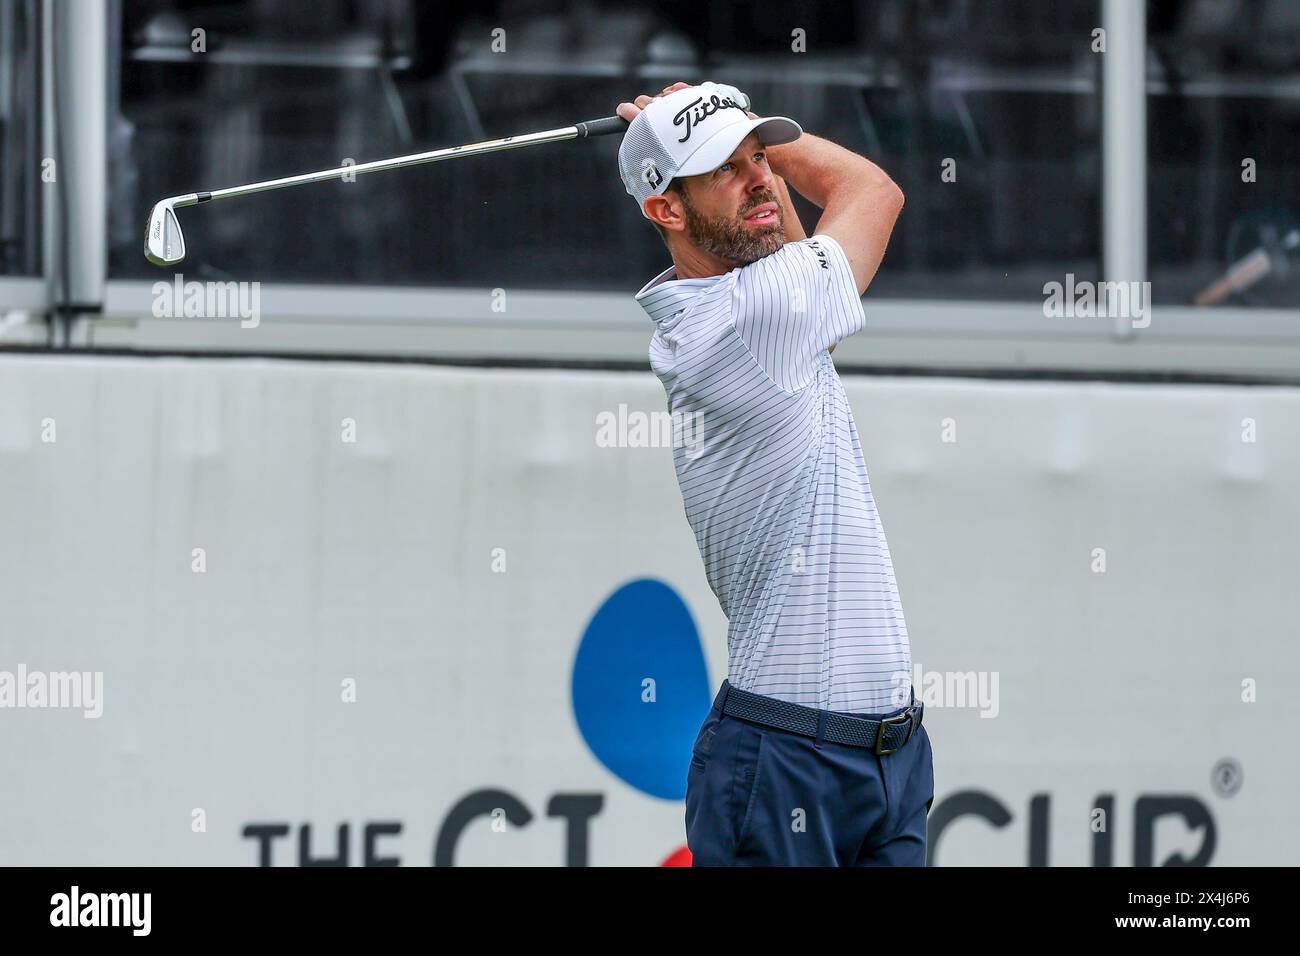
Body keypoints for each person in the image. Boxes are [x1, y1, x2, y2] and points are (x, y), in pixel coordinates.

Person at [615, 82, 933, 866]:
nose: (760, 177)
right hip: (786, 759)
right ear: (665, 211)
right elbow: (872, 191)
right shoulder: (750, 319)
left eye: (761, 156)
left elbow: (791, 254)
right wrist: (723, 104)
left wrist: (715, 123)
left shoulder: (771, 312)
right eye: (725, 169)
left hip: (888, 755)